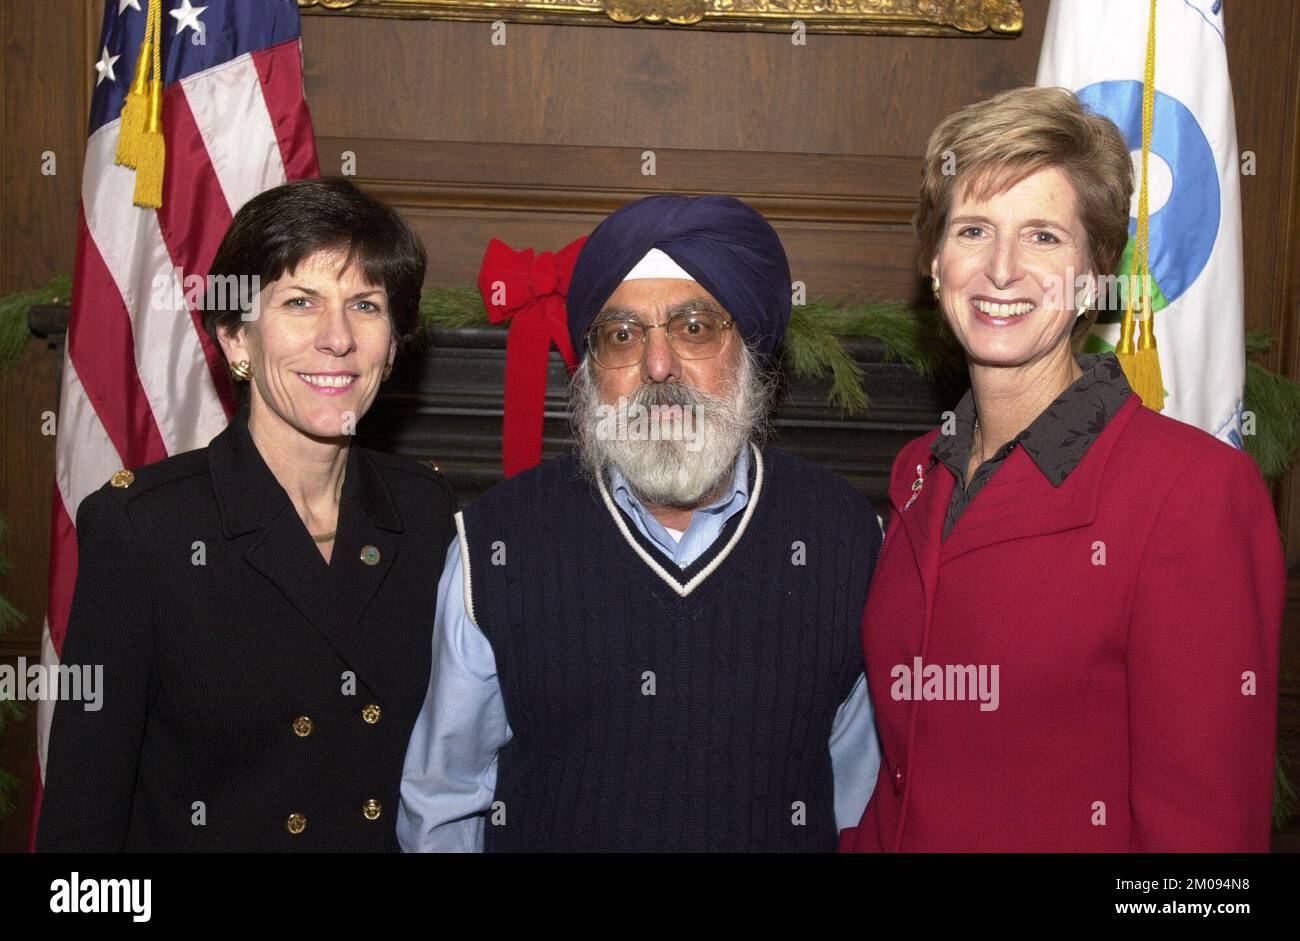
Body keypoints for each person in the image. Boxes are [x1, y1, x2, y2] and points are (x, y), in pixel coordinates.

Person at [839, 87, 1285, 853]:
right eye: (973, 229)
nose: (1003, 269)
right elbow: (908, 776)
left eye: (1044, 236)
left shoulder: (1193, 493)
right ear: (935, 260)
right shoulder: (922, 470)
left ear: (1093, 273)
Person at [398, 194, 882, 852]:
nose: (659, 367)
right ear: (593, 368)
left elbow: (860, 802)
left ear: (749, 350)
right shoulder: (496, 547)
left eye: (693, 328)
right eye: (622, 335)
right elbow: (445, 800)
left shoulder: (847, 543)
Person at [37, 177, 455, 851]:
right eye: (300, 302)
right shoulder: (145, 529)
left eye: (366, 306)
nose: (338, 339)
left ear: (394, 346)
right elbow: (82, 823)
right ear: (236, 340)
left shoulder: (424, 511)